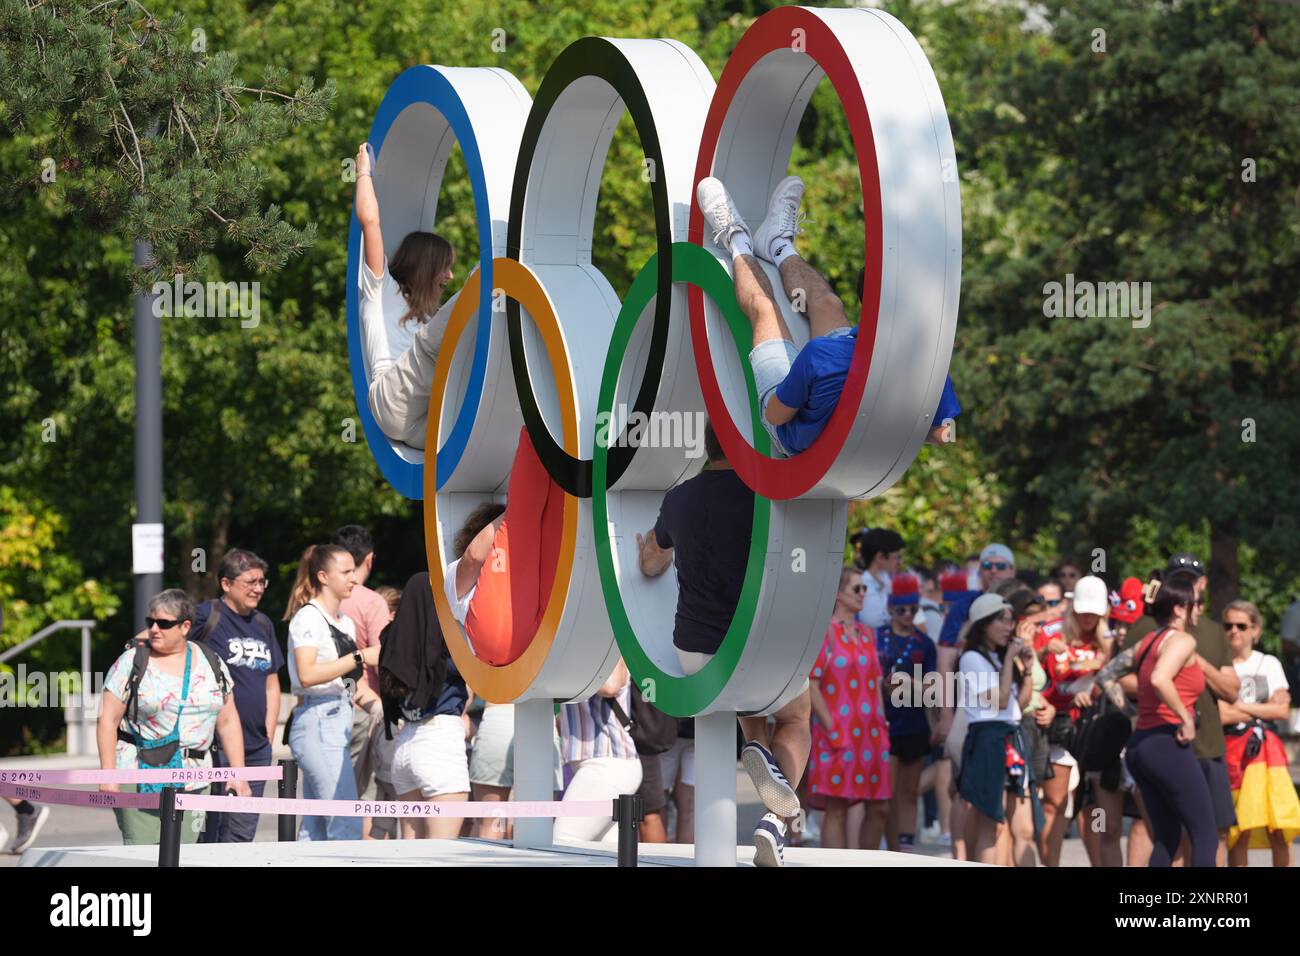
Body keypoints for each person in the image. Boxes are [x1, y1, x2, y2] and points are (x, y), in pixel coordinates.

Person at [637, 422, 811, 866]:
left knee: (745, 701)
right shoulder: (768, 495)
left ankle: (756, 747)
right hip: (757, 647)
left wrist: (649, 549)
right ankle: (775, 818)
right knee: (795, 716)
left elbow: (653, 564)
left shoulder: (679, 499)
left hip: (694, 651)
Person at [695, 175, 958, 458]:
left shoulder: (822, 354)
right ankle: (778, 245)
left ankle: (737, 240)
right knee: (827, 303)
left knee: (765, 309)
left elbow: (776, 416)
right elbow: (946, 433)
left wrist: (814, 397)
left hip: (796, 438)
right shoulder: (924, 362)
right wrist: (891, 426)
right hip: (841, 395)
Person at [96, 589, 251, 845]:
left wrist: (238, 773)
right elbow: (107, 720)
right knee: (142, 856)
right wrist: (108, 775)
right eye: (151, 622)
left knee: (185, 854)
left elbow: (228, 720)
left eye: (164, 624)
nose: (154, 629)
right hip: (139, 773)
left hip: (196, 777)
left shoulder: (211, 661)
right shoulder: (132, 661)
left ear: (185, 626)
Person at [1121, 553, 1239, 864]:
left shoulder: (1210, 630)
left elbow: (1232, 691)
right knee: (1204, 835)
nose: (1190, 591)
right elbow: (1156, 678)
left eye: (1192, 580)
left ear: (1203, 584)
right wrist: (1184, 716)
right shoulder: (1167, 633)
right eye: (1180, 582)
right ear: (1175, 599)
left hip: (1166, 743)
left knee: (1169, 836)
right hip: (1173, 740)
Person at [354, 142, 458, 448]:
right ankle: (487, 279)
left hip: (419, 424)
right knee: (430, 344)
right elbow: (370, 222)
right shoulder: (381, 289)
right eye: (445, 268)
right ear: (426, 267)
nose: (449, 276)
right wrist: (362, 173)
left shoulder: (429, 316)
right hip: (391, 401)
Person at [181, 549, 282, 844]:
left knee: (241, 833)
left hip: (256, 749)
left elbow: (272, 683)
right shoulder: (205, 615)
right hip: (213, 746)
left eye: (262, 581)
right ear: (226, 584)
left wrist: (268, 733)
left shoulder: (264, 624)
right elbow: (166, 638)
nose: (259, 588)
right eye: (250, 582)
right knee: (207, 832)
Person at [284, 544, 380, 841]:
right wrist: (361, 656)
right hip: (317, 720)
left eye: (354, 570)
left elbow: (349, 681)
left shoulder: (345, 622)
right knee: (344, 820)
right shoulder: (308, 618)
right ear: (323, 576)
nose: (354, 578)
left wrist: (378, 706)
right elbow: (308, 674)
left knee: (316, 825)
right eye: (346, 572)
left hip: (337, 719)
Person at [377, 571, 471, 841]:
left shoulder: (393, 639)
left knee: (411, 855)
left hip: (405, 743)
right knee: (442, 853)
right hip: (439, 739)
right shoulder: (446, 638)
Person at [808, 567, 892, 851]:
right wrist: (831, 727)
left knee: (880, 808)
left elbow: (876, 681)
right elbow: (811, 684)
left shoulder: (867, 634)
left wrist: (883, 722)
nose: (863, 594)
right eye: (856, 588)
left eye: (864, 589)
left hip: (871, 733)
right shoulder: (823, 632)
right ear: (837, 593)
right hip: (837, 731)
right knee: (837, 809)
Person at [1218, 600, 1300, 867]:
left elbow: (1281, 711)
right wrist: (1261, 708)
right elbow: (1219, 715)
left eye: (1241, 625)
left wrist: (1238, 706)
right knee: (1238, 832)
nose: (1234, 631)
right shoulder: (1217, 667)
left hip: (1268, 756)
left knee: (1278, 829)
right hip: (1232, 755)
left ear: (1255, 630)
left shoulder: (1269, 664)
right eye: (1228, 625)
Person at [956, 593, 1035, 866]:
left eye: (1011, 620)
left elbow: (1019, 705)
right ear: (984, 623)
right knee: (992, 824)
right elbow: (999, 700)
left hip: (1012, 736)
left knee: (1025, 829)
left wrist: (1026, 670)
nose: (1008, 627)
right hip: (987, 739)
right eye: (1001, 620)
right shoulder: (971, 658)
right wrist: (1011, 658)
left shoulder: (1001, 659)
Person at [1037, 575, 1110, 867]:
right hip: (1059, 725)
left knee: (1092, 807)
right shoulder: (1051, 633)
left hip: (1094, 728)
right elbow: (1035, 677)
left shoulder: (1108, 637)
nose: (1088, 617)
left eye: (1094, 610)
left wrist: (1100, 667)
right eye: (1083, 610)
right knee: (1054, 804)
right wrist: (1044, 652)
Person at [333, 525, 391, 836]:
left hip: (328, 705)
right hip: (365, 708)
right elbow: (386, 657)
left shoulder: (314, 600)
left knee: (331, 795)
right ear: (369, 558)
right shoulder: (371, 602)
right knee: (363, 798)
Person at [876, 574, 936, 852]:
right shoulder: (878, 639)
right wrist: (882, 685)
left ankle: (907, 845)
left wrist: (911, 685)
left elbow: (935, 688)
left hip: (914, 723)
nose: (909, 615)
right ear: (890, 609)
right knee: (887, 794)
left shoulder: (925, 644)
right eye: (902, 610)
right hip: (886, 723)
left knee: (910, 792)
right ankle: (893, 849)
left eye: (914, 609)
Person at [554, 659, 643, 844]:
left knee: (564, 841)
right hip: (603, 765)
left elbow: (609, 686)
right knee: (607, 854)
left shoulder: (610, 644)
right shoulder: (580, 648)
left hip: (608, 763)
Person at [854, 528, 903, 632]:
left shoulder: (889, 581)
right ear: (880, 557)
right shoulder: (860, 586)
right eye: (896, 558)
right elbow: (872, 622)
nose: (900, 563)